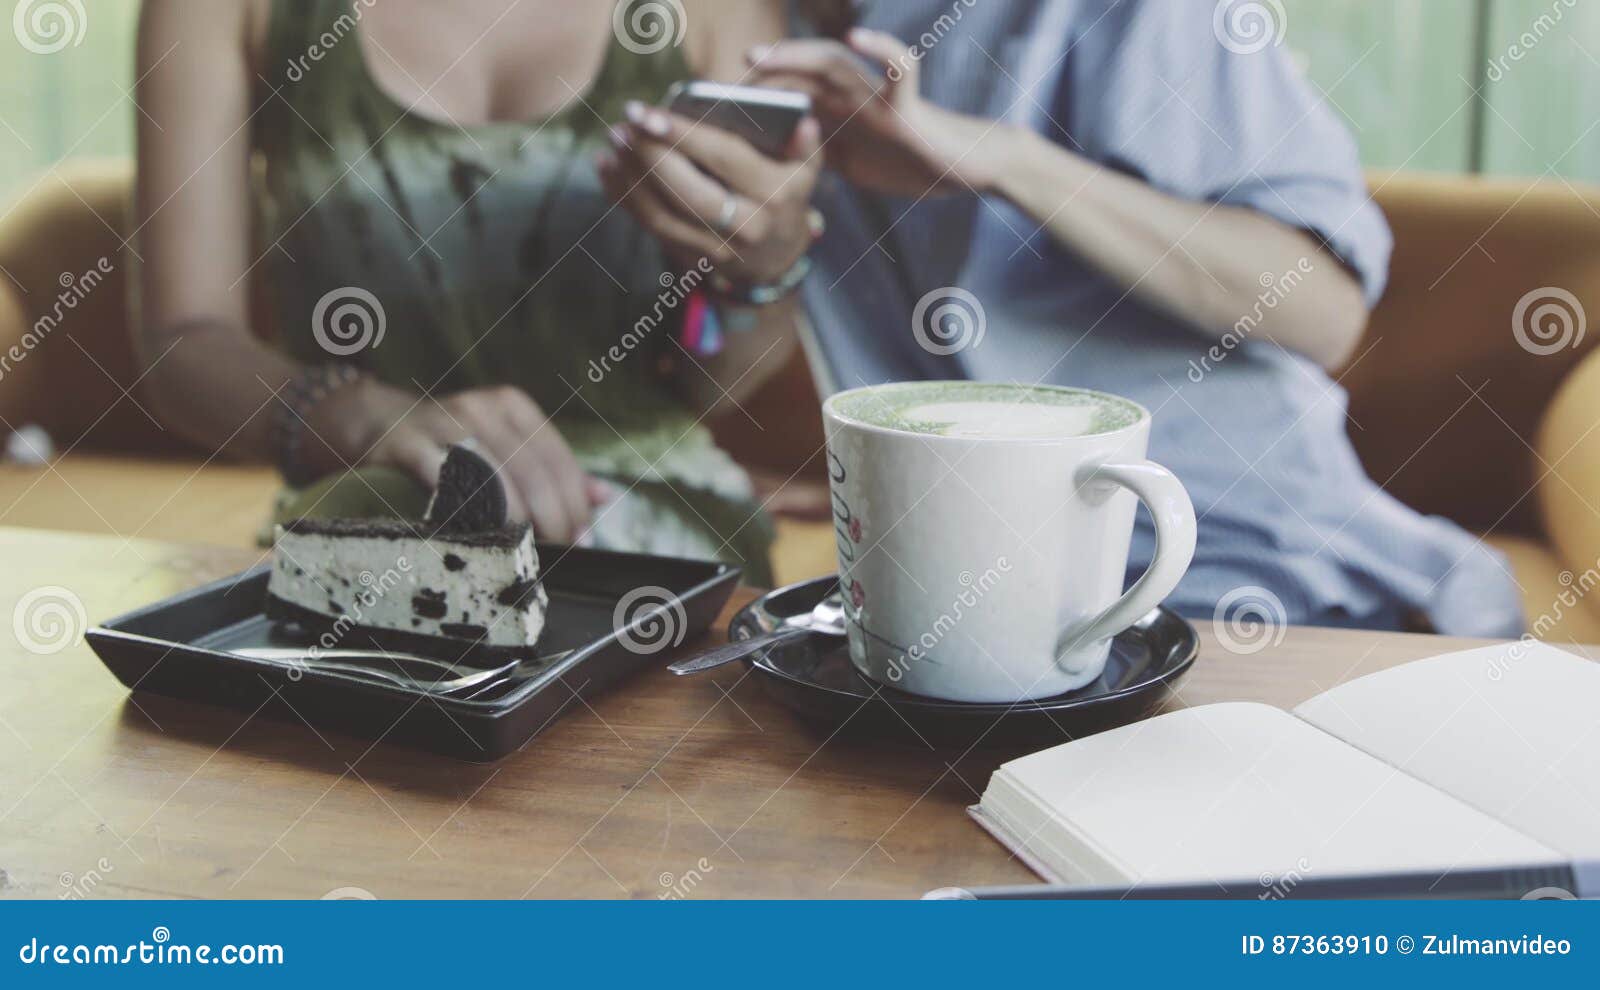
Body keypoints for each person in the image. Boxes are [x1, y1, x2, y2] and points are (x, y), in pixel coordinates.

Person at [711, 0, 1521, 636]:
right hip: (970, 590)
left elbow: (1326, 313)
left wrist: (1007, 160)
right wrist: (762, 267)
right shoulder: (771, 48)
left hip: (1238, 563)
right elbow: (722, 389)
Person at [131, 0, 841, 583]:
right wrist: (356, 416)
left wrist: (761, 269)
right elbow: (180, 345)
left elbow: (710, 387)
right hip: (378, 504)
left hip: (659, 521)